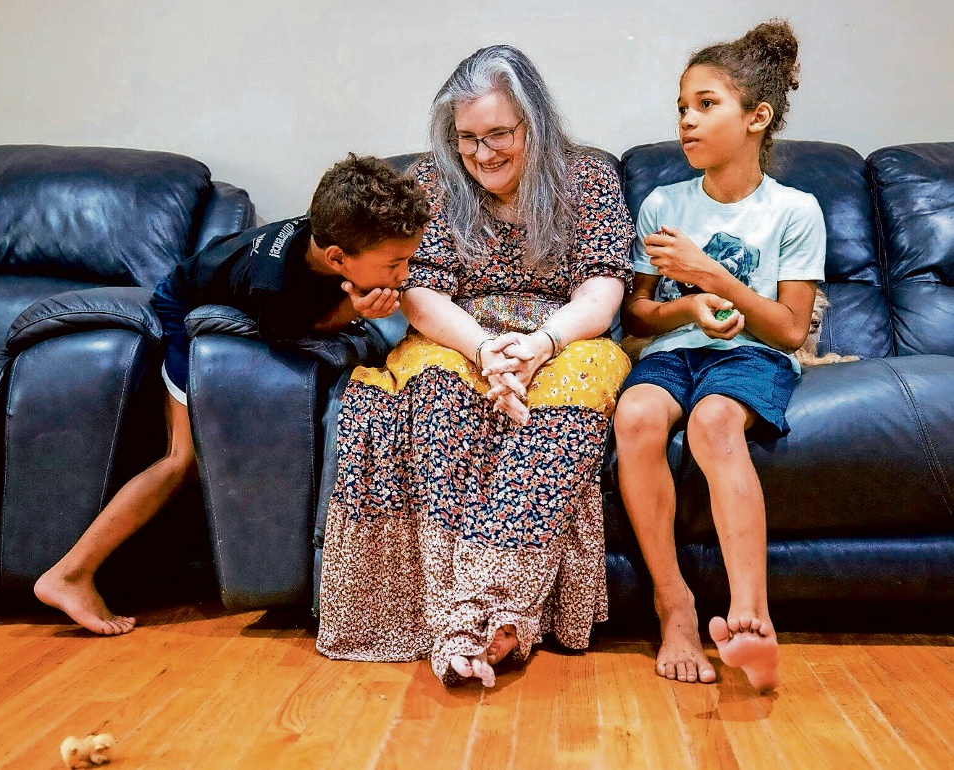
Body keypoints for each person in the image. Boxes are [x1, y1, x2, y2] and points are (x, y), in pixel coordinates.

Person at [316, 45, 634, 687]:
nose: (483, 154)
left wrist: (539, 344)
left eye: (498, 135)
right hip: (458, 335)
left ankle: (497, 615)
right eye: (467, 139)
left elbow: (602, 294)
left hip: (563, 336)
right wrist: (486, 352)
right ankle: (451, 620)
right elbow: (422, 294)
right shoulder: (432, 186)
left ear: (533, 125)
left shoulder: (589, 177)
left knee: (567, 400)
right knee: (434, 394)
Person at [34, 154, 431, 635]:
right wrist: (356, 309)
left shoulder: (330, 232)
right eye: (397, 263)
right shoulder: (273, 287)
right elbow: (310, 325)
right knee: (181, 459)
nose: (407, 272)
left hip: (237, 275)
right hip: (180, 306)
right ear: (337, 259)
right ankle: (69, 574)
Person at [614, 20, 824, 692]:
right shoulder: (661, 204)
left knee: (712, 424)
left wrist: (714, 278)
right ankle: (673, 606)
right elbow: (637, 314)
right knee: (637, 417)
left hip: (750, 354)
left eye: (706, 104)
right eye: (681, 105)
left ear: (756, 117)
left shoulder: (794, 211)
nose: (686, 120)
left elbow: (789, 330)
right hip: (674, 352)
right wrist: (684, 308)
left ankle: (749, 617)